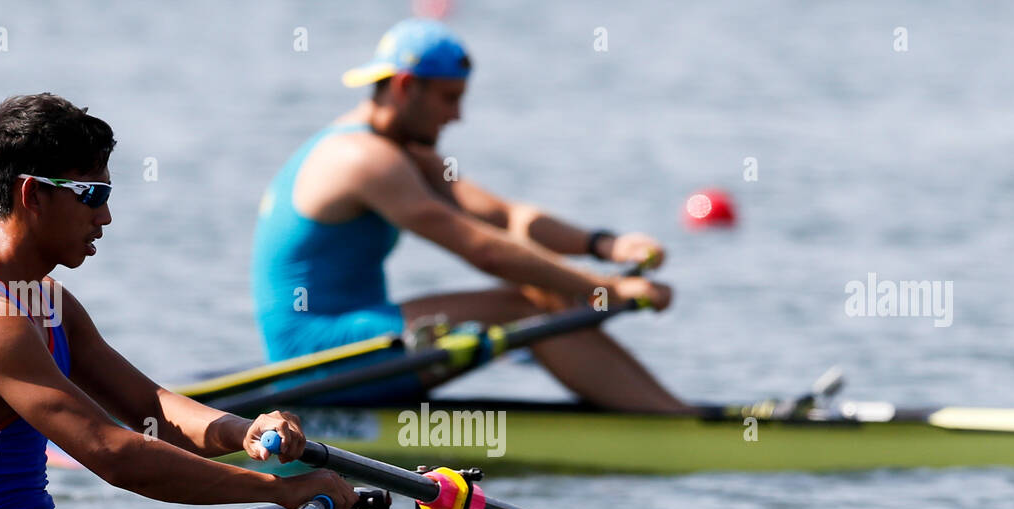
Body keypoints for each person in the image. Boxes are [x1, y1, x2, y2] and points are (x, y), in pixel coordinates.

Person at [0, 92, 492, 509]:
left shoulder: (47, 301)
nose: (105, 216)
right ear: (32, 195)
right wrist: (278, 490)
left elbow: (151, 409)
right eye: (92, 195)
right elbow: (115, 454)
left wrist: (247, 433)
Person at [251, 18, 693, 413]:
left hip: (362, 331)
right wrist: (607, 289)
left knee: (541, 294)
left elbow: (505, 217)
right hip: (318, 358)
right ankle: (677, 424)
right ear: (406, 87)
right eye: (449, 98)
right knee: (530, 304)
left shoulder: (400, 149)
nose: (457, 116)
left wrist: (604, 244)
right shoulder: (363, 160)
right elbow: (485, 252)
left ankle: (666, 412)